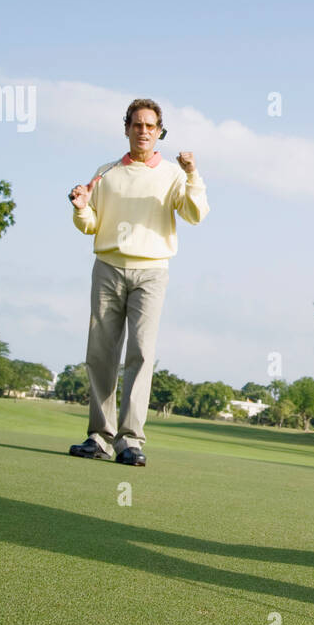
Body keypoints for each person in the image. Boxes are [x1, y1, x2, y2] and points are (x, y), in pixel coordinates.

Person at [67, 97, 209, 467]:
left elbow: (195, 214)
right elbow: (90, 226)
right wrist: (81, 204)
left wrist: (193, 173)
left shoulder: (174, 175)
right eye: (137, 124)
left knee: (141, 353)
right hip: (107, 268)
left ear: (160, 131)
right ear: (127, 128)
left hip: (152, 271)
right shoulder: (107, 172)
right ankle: (99, 436)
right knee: (100, 354)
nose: (143, 131)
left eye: (150, 125)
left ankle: (130, 440)